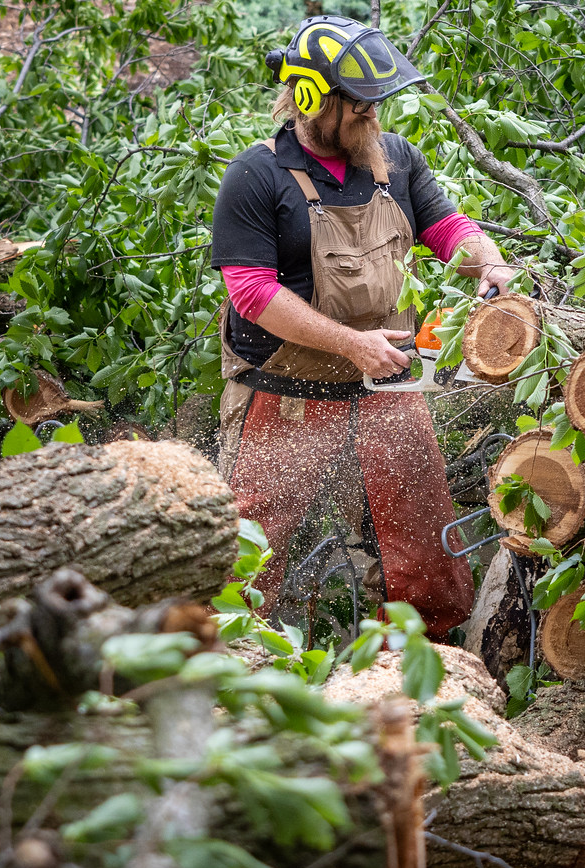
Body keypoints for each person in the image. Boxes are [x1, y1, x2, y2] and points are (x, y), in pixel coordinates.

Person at [209, 15, 509, 634]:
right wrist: (351, 344)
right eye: (361, 104)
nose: (374, 114)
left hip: (391, 383)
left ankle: (432, 659)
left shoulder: (393, 160)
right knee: (249, 542)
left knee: (421, 534)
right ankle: (230, 656)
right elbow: (251, 292)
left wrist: (491, 264)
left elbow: (447, 228)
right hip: (287, 393)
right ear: (314, 99)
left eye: (378, 102)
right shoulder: (255, 176)